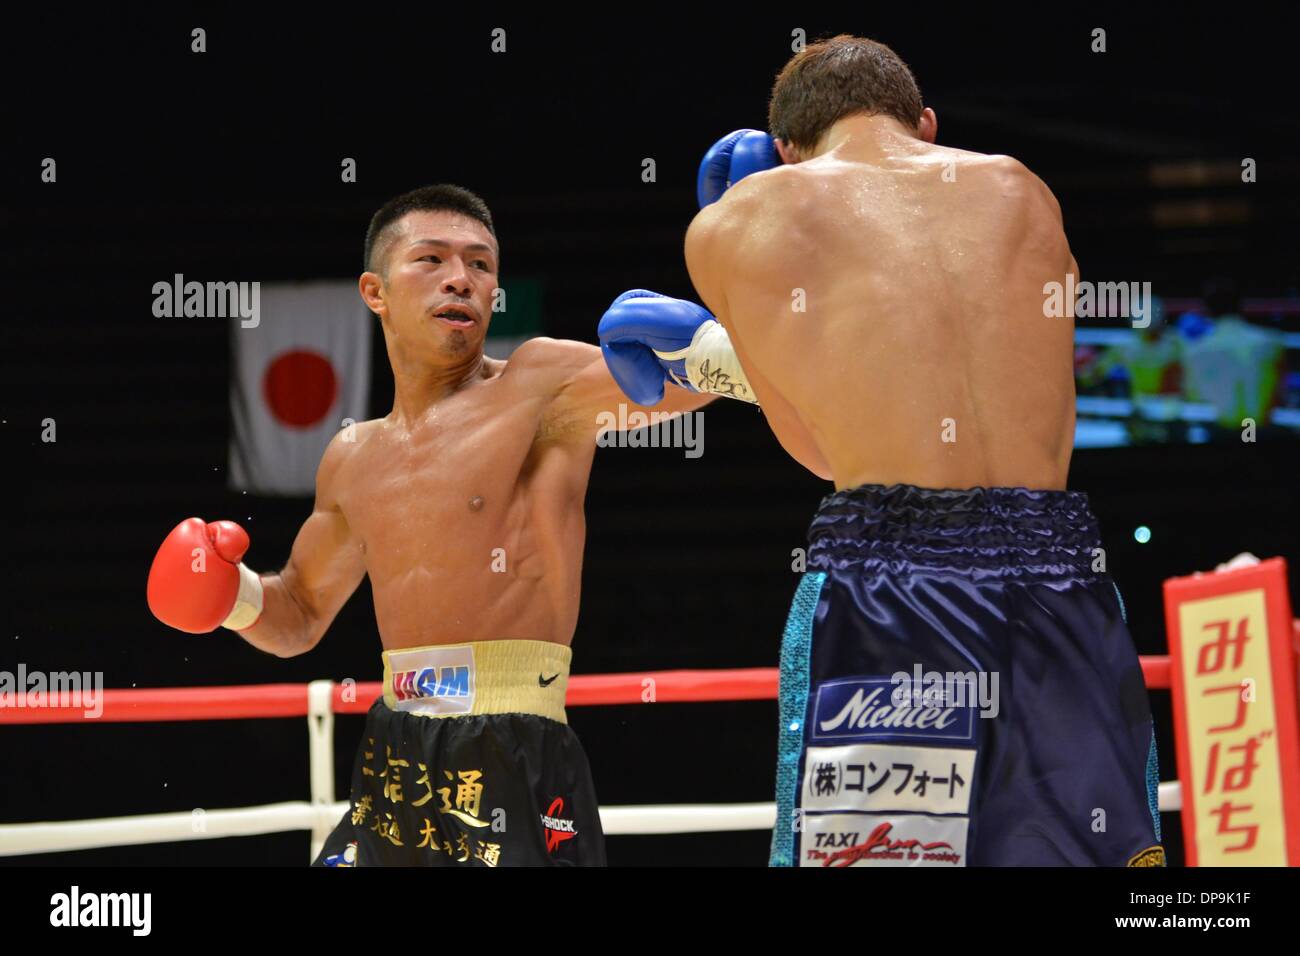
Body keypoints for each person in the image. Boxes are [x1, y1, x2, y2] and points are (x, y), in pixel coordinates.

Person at [599, 36, 1164, 866]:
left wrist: (710, 354)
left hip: (891, 582)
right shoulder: (1023, 190)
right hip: (1062, 578)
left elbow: (820, 447)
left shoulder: (740, 219)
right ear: (926, 123)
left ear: (786, 148)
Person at [147, 185, 718, 866]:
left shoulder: (539, 387)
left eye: (481, 265)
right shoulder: (352, 457)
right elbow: (298, 615)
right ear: (375, 291)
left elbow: (693, 384)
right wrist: (230, 596)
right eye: (432, 259)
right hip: (396, 747)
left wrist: (708, 343)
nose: (461, 279)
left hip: (513, 742)